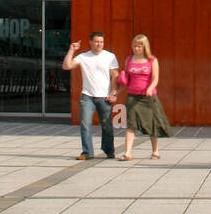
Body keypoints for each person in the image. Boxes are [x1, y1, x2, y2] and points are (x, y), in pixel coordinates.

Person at [62, 32, 119, 160]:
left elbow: (115, 75)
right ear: (91, 42)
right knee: (85, 124)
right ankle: (87, 152)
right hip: (87, 96)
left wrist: (114, 92)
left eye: (101, 42)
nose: (99, 44)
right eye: (97, 41)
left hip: (104, 96)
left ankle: (109, 150)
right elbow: (66, 66)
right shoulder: (83, 57)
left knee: (107, 125)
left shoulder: (110, 56)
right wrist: (72, 50)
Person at [117, 34, 173, 161]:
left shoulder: (152, 60)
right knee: (130, 124)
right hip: (132, 96)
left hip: (148, 97)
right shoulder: (129, 59)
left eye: (139, 46)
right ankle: (127, 153)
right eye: (134, 46)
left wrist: (149, 88)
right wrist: (116, 92)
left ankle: (155, 151)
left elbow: (155, 78)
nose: (136, 49)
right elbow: (125, 79)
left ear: (144, 47)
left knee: (153, 123)